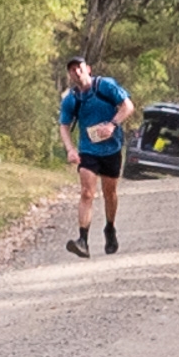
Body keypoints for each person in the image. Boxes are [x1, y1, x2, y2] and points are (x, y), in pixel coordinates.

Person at [53, 55, 131, 257]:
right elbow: (64, 125)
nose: (76, 72)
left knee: (109, 193)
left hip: (112, 148)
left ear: (88, 69)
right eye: (72, 70)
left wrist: (112, 125)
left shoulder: (105, 86)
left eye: (79, 68)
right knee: (87, 193)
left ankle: (110, 228)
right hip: (88, 150)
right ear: (70, 75)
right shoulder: (71, 99)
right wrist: (70, 149)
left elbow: (128, 106)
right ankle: (83, 241)